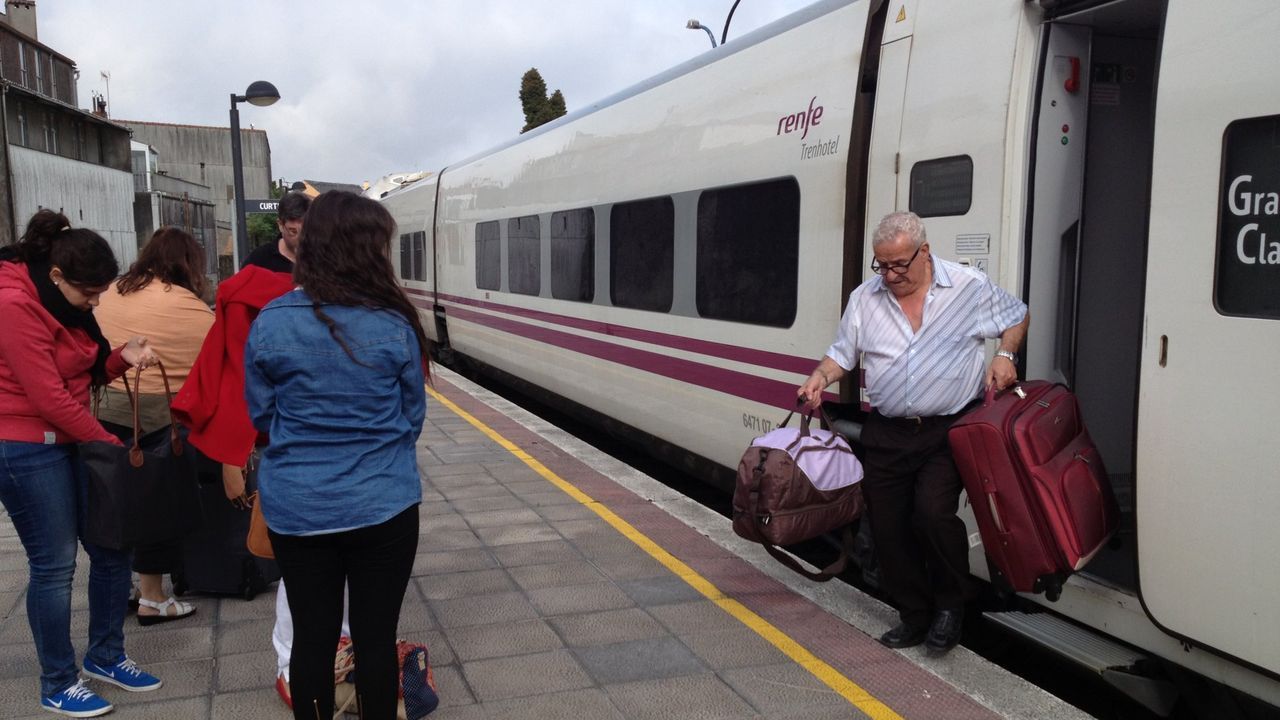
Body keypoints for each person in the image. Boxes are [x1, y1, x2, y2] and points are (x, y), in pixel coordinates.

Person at [797, 211, 1029, 654]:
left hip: (946, 430)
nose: (889, 275)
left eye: (899, 264)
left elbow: (1017, 316)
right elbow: (842, 354)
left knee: (932, 513)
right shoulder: (866, 299)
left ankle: (949, 608)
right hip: (888, 431)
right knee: (888, 527)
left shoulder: (967, 287)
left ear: (924, 251)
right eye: (881, 265)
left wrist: (1007, 355)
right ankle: (914, 615)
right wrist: (820, 378)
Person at [245, 191, 428, 720]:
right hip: (383, 504)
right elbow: (410, 419)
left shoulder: (272, 322)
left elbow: (262, 416)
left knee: (312, 639)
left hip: (298, 508)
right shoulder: (395, 324)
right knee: (375, 639)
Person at [0, 209, 164, 717]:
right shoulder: (13, 302)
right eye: (88, 293)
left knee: (112, 550)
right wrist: (109, 444)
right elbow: (49, 397)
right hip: (25, 444)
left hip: (70, 436)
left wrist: (121, 357)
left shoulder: (64, 303)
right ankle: (57, 680)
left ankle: (106, 655)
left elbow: (82, 370)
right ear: (55, 275)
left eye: (100, 293)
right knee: (54, 565)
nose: (95, 303)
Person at [169, 191, 331, 705]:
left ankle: (301, 664)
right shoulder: (258, 282)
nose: (298, 236)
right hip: (302, 449)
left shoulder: (250, 289)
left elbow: (242, 373)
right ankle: (296, 662)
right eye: (291, 226)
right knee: (308, 566)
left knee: (310, 567)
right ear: (281, 226)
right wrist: (238, 451)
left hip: (293, 446)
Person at [94, 227, 215, 626]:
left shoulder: (110, 292)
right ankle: (152, 596)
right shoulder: (194, 310)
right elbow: (212, 370)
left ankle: (121, 583)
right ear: (190, 264)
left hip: (101, 408)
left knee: (112, 503)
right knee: (156, 504)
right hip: (161, 418)